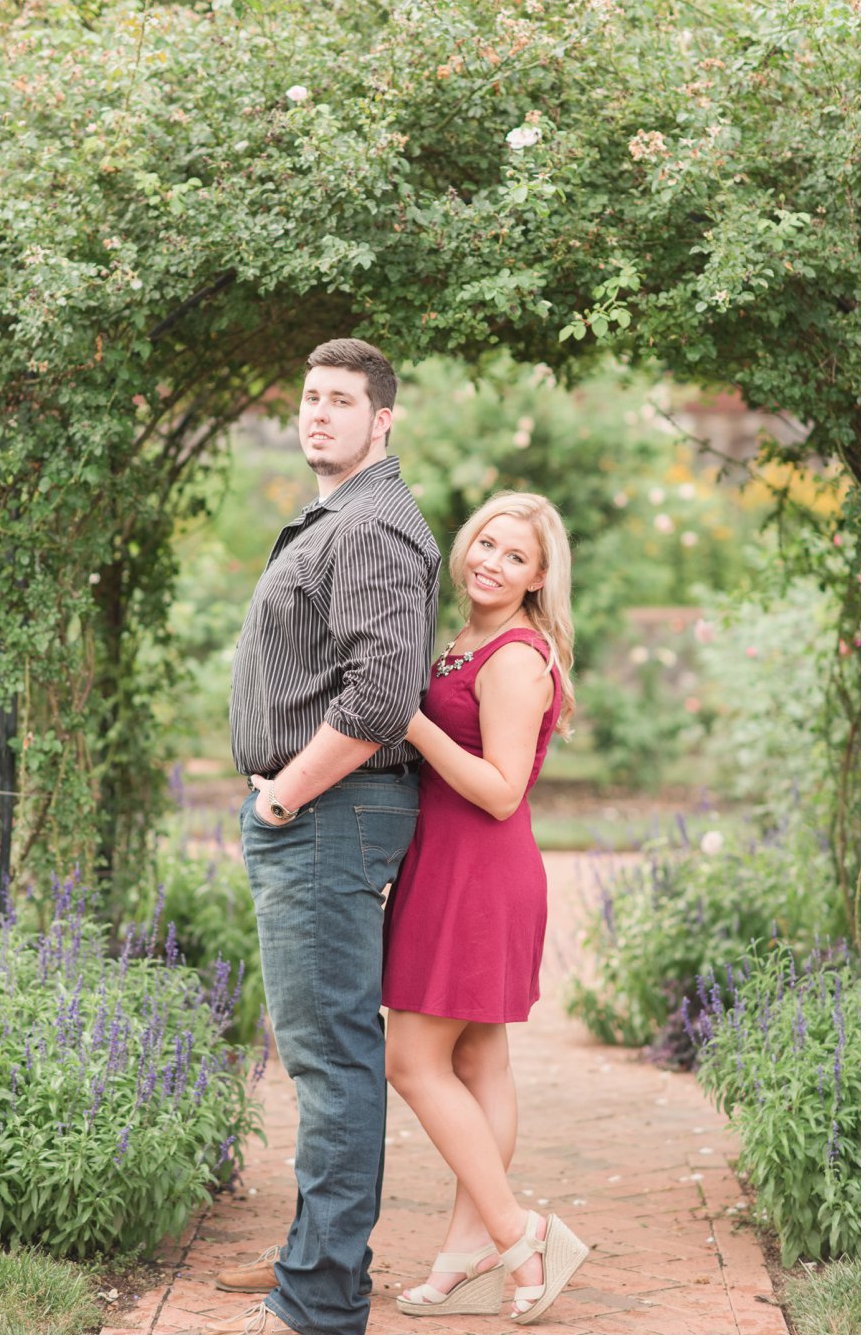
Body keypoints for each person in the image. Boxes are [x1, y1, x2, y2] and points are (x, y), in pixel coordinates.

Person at [211, 337, 441, 1336]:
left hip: (324, 818)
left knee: (331, 1057)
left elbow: (380, 699)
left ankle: (315, 1301)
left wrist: (278, 800)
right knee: (326, 1051)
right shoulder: (336, 518)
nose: (318, 414)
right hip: (317, 817)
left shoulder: (373, 528)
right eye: (309, 398)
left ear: (380, 418)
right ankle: (319, 1268)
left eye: (341, 400)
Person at [380, 491, 590, 1324]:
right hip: (448, 864)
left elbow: (503, 791)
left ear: (538, 578)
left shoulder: (513, 656)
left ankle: (518, 1231)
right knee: (478, 1062)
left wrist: (414, 727)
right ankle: (466, 1251)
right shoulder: (463, 640)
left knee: (411, 1061)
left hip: (482, 871)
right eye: (485, 543)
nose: (491, 562)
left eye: (514, 556)